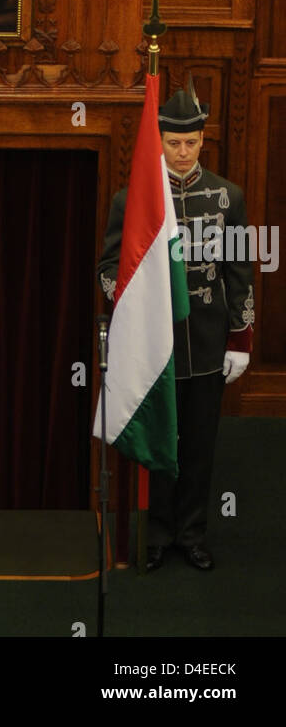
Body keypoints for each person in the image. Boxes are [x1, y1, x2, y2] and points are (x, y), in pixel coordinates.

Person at [98, 88, 254, 572]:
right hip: (154, 350)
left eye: (190, 142)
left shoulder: (229, 196)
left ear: (202, 140)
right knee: (162, 442)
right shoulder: (134, 202)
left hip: (207, 346)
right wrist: (128, 309)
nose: (182, 151)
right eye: (172, 142)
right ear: (159, 142)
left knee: (200, 445)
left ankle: (192, 534)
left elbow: (239, 271)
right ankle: (158, 534)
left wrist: (240, 341)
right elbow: (108, 268)